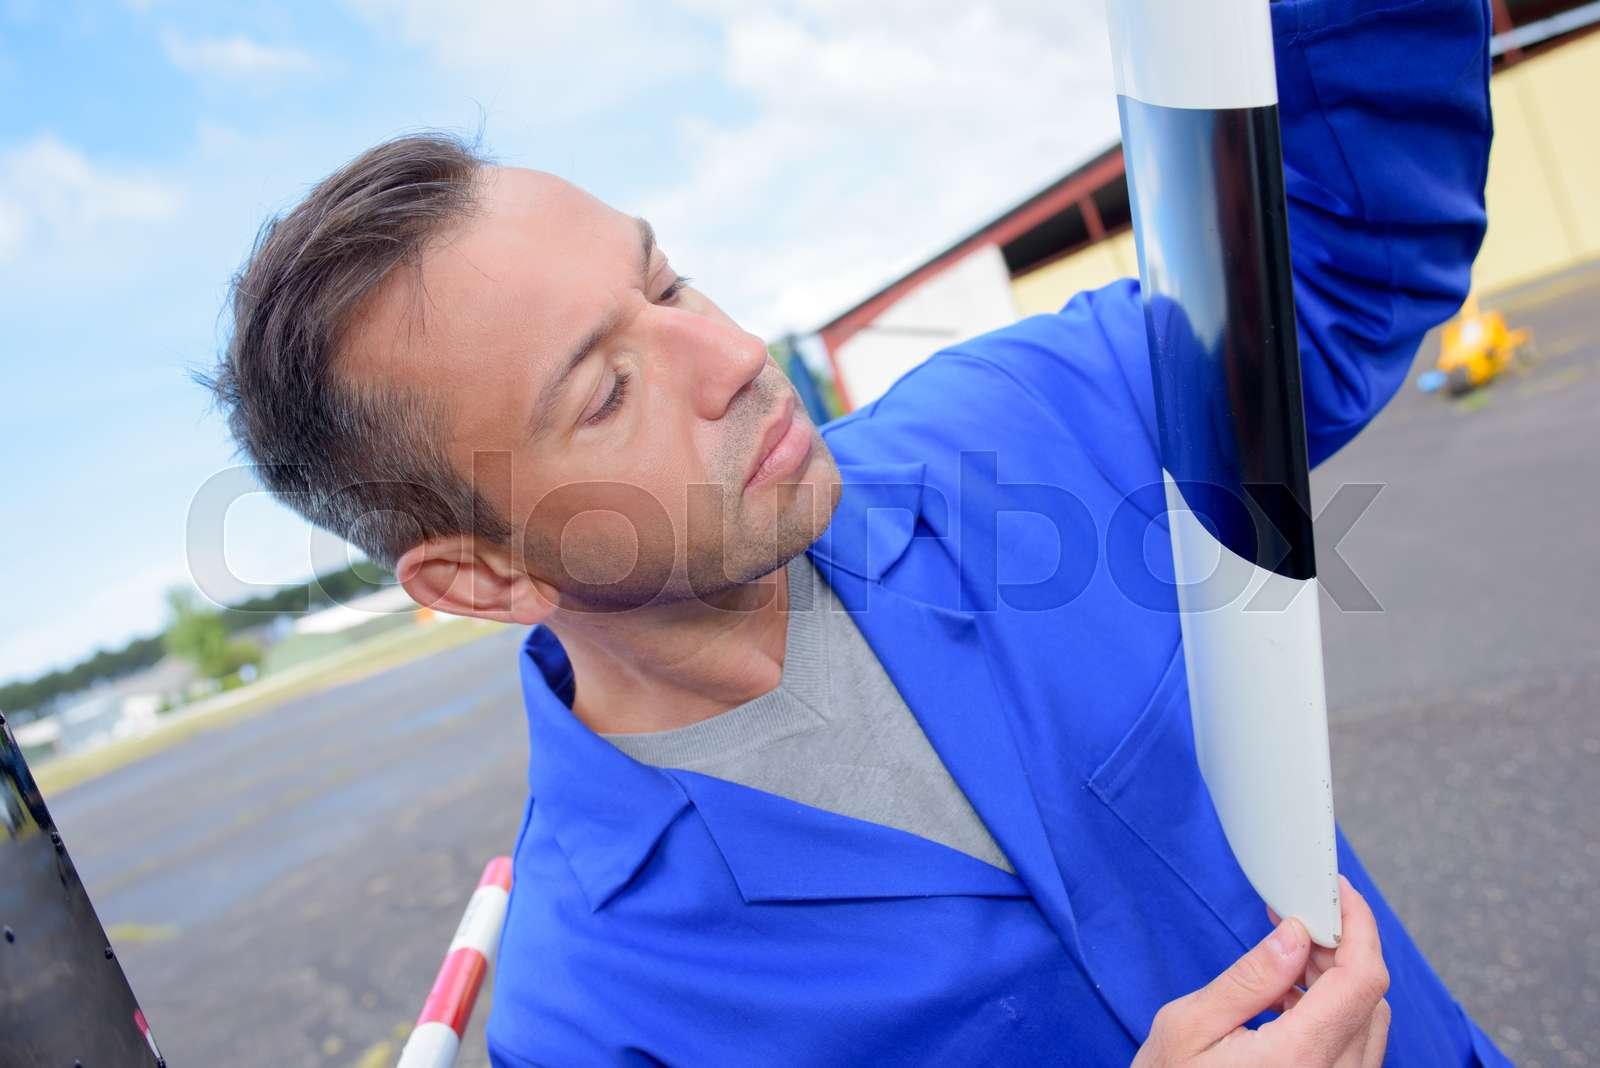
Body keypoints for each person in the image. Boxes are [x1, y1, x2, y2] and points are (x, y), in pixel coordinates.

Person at [205, 0, 1509, 1063]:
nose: (729, 355)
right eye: (607, 390)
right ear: (481, 577)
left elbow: (1327, 261)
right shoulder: (596, 1021)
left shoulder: (1028, 422)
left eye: (668, 282)